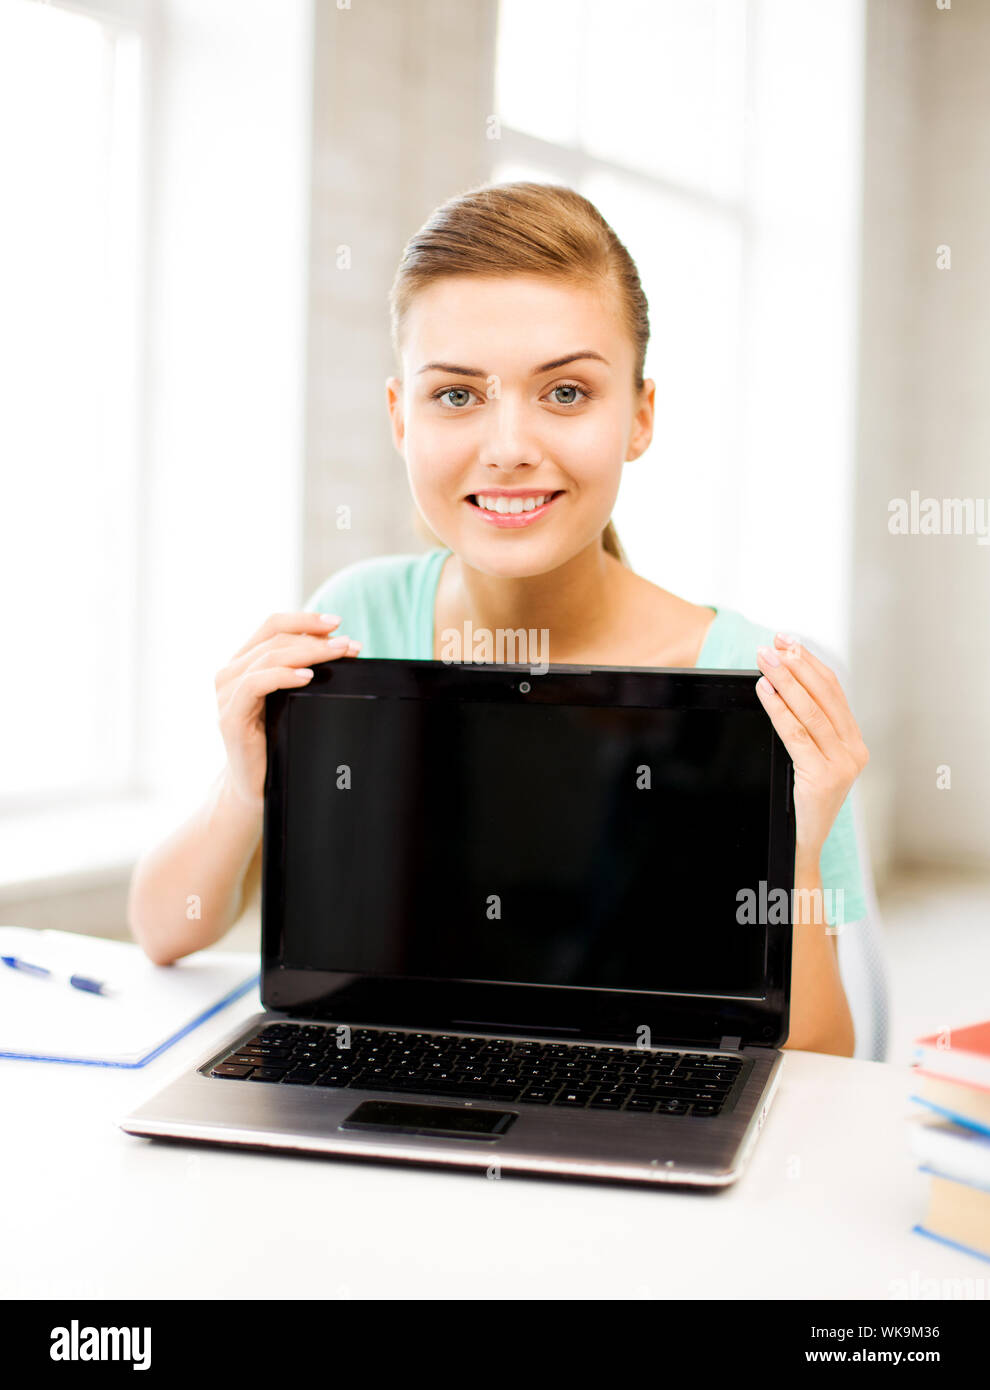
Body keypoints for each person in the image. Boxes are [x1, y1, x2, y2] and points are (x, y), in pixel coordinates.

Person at [128, 182, 868, 1056]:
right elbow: (164, 931)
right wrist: (245, 782)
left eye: (564, 393)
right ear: (401, 418)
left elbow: (821, 1067)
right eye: (456, 395)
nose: (510, 446)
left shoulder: (750, 678)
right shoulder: (353, 624)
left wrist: (804, 850)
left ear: (639, 415)